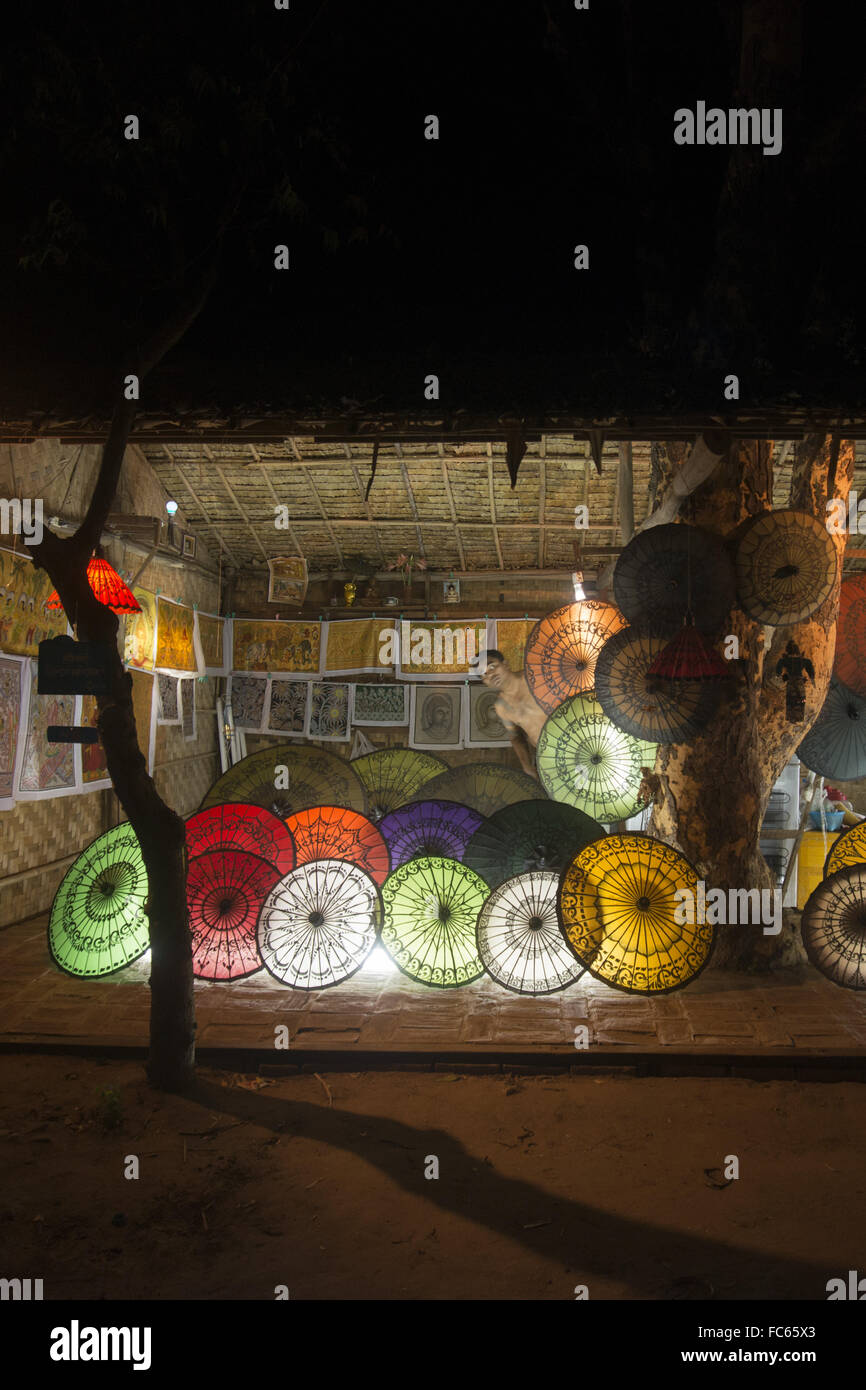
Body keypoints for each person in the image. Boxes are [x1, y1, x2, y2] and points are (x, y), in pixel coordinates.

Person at [475, 649, 547, 778]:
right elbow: (515, 737)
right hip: (548, 756)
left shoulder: (535, 678)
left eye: (492, 666)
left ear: (506, 664)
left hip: (579, 739)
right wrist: (527, 766)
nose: (490, 675)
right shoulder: (501, 707)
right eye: (484, 675)